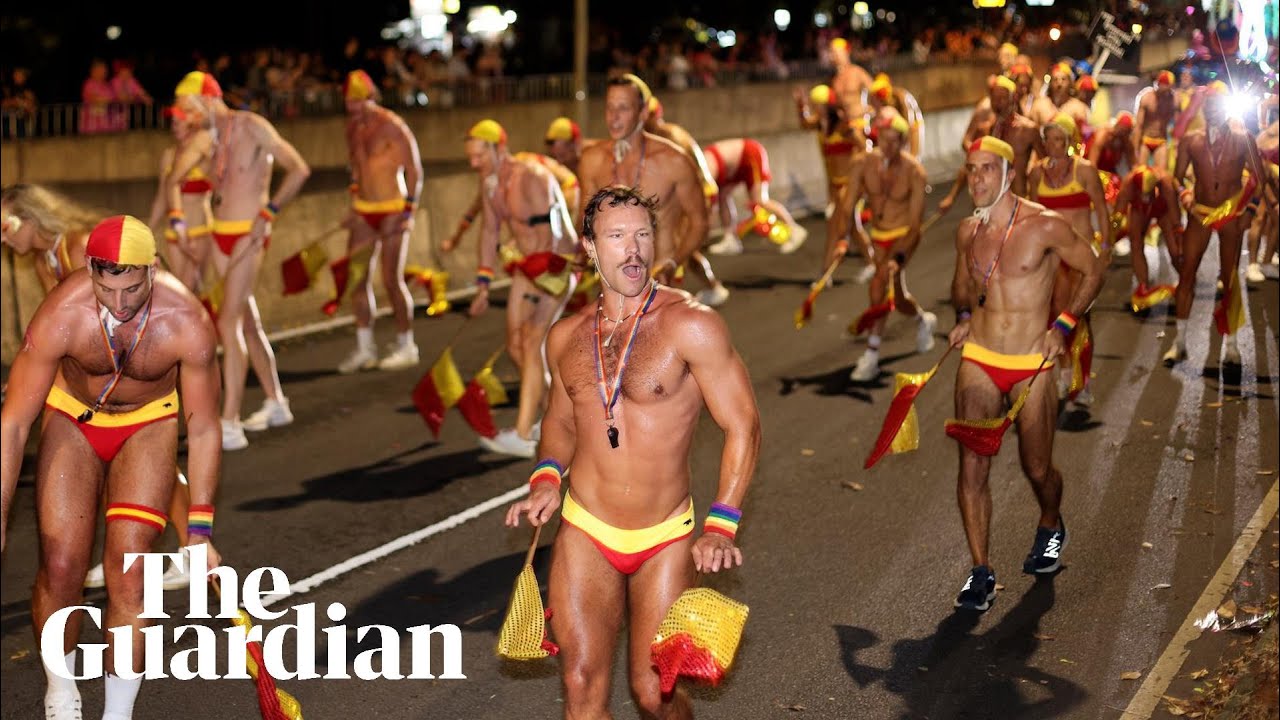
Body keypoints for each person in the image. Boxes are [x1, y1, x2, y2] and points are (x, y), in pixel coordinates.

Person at [504, 186, 760, 719]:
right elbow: (560, 422)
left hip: (664, 535)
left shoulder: (691, 325)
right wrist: (546, 478)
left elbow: (742, 424)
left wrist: (722, 524)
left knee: (654, 693)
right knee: (580, 685)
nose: (634, 249)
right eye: (617, 236)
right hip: (586, 527)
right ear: (590, 248)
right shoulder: (565, 337)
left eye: (643, 234)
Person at [0, 216, 223, 719]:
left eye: (132, 289)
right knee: (62, 568)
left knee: (130, 576)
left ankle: (117, 715)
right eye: (106, 289)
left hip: (148, 425)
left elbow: (204, 428)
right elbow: (13, 423)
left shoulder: (186, 321)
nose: (119, 305)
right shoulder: (62, 314)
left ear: (153, 269)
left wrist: (200, 530)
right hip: (72, 419)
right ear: (89, 271)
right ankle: (61, 690)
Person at [947, 137, 1106, 611]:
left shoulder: (1044, 225)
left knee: (1037, 467)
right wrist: (962, 316)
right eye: (971, 169)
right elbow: (962, 288)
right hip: (979, 358)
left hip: (1030, 363)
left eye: (987, 169)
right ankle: (981, 572)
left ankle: (1051, 521)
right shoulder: (967, 231)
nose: (976, 178)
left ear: (1009, 175)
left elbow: (1094, 269)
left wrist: (1064, 326)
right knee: (972, 465)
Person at [166, 71, 310, 450]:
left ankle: (229, 423)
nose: (187, 116)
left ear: (207, 100)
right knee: (246, 321)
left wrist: (269, 212)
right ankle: (277, 402)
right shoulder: (210, 137)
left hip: (249, 232)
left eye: (190, 108)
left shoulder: (251, 125)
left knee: (228, 321)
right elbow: (177, 179)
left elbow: (299, 168)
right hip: (221, 233)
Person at [463, 119, 578, 458]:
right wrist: (483, 286)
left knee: (531, 340)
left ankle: (525, 434)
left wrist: (538, 287)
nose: (474, 164)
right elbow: (489, 232)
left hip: (555, 265)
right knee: (516, 345)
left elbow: (554, 234)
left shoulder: (531, 176)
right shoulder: (490, 184)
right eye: (470, 158)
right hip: (528, 266)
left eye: (479, 156)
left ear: (499, 149)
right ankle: (559, 421)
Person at [1164, 82, 1271, 367]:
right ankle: (1180, 342)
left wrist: (1249, 210)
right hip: (1200, 214)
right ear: (1203, 108)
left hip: (1231, 214)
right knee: (1186, 275)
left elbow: (1259, 178)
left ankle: (1232, 345)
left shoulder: (1243, 138)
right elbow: (1176, 177)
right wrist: (1185, 195)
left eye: (1217, 106)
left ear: (1225, 109)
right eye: (1208, 105)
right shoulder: (1191, 140)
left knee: (1230, 277)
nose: (1212, 111)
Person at [577, 75, 709, 294]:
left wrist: (673, 263)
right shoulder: (592, 161)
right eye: (610, 107)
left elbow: (700, 223)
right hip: (612, 289)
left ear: (643, 111)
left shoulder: (673, 161)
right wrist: (578, 255)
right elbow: (584, 221)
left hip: (660, 284)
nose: (614, 117)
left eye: (623, 108)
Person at [334, 70, 424, 373]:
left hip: (393, 208)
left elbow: (414, 169)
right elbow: (355, 167)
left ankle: (406, 345)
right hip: (364, 210)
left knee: (390, 279)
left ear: (371, 97)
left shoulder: (392, 125)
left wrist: (409, 212)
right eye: (349, 101)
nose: (353, 107)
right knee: (357, 279)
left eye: (358, 101)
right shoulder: (351, 127)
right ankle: (365, 348)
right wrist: (354, 199)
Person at [844, 110, 937, 381]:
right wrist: (842, 238)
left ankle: (871, 355)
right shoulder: (863, 163)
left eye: (895, 141)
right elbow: (848, 207)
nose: (888, 146)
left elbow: (915, 226)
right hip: (878, 236)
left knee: (879, 285)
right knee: (898, 296)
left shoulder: (915, 172)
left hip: (903, 236)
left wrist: (899, 257)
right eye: (884, 139)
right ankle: (922, 320)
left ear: (904, 141)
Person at [1026, 113, 1111, 404]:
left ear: (1070, 141)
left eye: (1059, 140)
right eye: (1048, 140)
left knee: (1078, 316)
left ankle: (1083, 381)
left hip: (1081, 256)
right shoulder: (1036, 174)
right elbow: (1033, 216)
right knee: (1055, 314)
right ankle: (1065, 375)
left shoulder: (1084, 170)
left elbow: (1101, 209)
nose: (1053, 146)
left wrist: (1106, 247)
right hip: (1051, 256)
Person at [641, 96, 734, 304]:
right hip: (690, 192)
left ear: (652, 117)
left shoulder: (669, 136)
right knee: (681, 248)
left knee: (677, 247)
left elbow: (681, 174)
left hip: (698, 193)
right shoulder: (655, 137)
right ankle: (708, 288)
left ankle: (675, 299)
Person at [797, 84, 875, 282]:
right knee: (850, 226)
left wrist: (857, 169)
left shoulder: (843, 125)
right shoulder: (822, 124)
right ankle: (870, 262)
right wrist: (800, 105)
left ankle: (826, 273)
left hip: (850, 184)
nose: (815, 108)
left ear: (827, 105)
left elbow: (865, 148)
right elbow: (805, 123)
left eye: (818, 104)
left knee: (836, 226)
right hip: (837, 184)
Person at [701, 137, 808, 259]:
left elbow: (709, 206)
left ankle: (794, 229)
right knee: (723, 196)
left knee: (760, 200)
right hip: (734, 167)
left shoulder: (706, 167)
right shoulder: (704, 170)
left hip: (750, 155)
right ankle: (730, 240)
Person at [146, 110, 214, 292]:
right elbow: (162, 197)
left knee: (190, 289)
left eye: (179, 121)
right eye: (173, 122)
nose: (173, 126)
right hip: (174, 231)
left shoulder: (204, 154)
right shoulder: (169, 155)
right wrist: (147, 231)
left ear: (193, 123)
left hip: (199, 230)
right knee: (179, 289)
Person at [1, 184, 94, 293]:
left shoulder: (78, 247)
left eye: (5, 229)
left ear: (30, 216)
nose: (2, 239)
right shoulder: (42, 261)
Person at [1113, 165, 1183, 308]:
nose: (1146, 199)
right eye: (1143, 195)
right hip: (1139, 209)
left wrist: (1179, 239)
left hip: (1163, 208)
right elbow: (1117, 216)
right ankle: (1143, 287)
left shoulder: (1166, 184)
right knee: (1136, 243)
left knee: (1175, 249)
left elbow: (1176, 220)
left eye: (1148, 195)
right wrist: (1108, 241)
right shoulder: (1128, 185)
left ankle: (1186, 281)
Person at [987, 74, 1044, 198]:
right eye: (994, 98)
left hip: (1021, 198)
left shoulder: (1028, 129)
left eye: (1002, 98)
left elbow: (1046, 163)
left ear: (1013, 98)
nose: (997, 103)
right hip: (997, 199)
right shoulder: (992, 129)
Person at [866, 73, 924, 158]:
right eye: (871, 98)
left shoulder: (888, 111)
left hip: (894, 151)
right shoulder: (873, 116)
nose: (872, 101)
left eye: (874, 97)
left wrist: (888, 123)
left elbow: (905, 128)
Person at [1134, 71, 1178, 169]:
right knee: (1141, 171)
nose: (1166, 91)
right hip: (1145, 140)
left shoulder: (1173, 100)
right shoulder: (1146, 98)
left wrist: (1176, 146)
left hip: (1161, 141)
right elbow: (1138, 126)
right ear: (1158, 84)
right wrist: (1136, 149)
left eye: (1168, 88)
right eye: (1164, 87)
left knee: (1161, 174)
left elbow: (1177, 125)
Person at [829, 38, 874, 124]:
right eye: (831, 53)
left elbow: (874, 91)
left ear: (845, 53)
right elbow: (837, 104)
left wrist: (871, 110)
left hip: (862, 120)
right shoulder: (834, 79)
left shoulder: (857, 72)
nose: (832, 56)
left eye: (835, 52)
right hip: (846, 124)